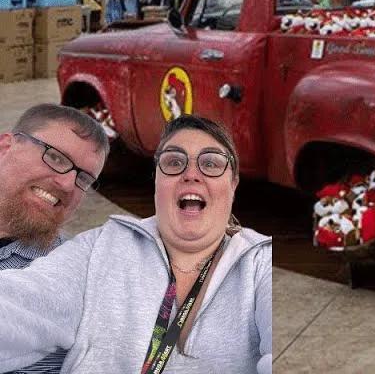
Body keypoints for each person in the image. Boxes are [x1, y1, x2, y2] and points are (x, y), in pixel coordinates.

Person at [0, 115, 272, 374]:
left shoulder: (260, 263)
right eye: (174, 162)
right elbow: (16, 308)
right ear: (156, 180)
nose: (191, 174)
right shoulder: (101, 247)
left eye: (211, 164)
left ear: (233, 183)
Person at [0, 104, 110, 374]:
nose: (67, 185)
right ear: (4, 148)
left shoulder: (73, 279)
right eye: (57, 158)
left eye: (83, 178)